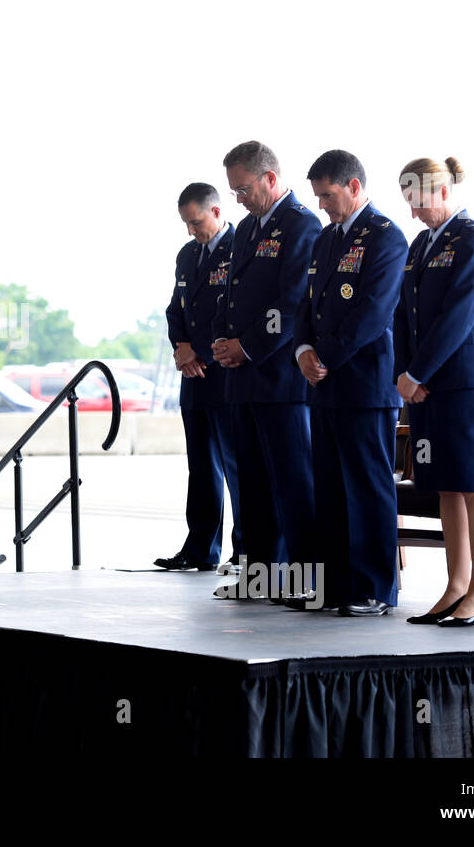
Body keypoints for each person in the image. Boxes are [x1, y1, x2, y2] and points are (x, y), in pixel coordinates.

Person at [293, 150, 408, 615]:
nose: (321, 204)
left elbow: (374, 313)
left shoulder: (385, 237)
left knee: (367, 486)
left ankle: (374, 588)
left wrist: (326, 356)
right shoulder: (324, 241)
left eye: (327, 194)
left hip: (363, 383)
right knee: (331, 488)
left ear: (354, 186)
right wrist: (302, 350)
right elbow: (306, 303)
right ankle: (336, 585)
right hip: (322, 384)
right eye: (317, 196)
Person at [393, 157, 474, 627]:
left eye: (417, 202)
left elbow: (458, 315)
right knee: (444, 486)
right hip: (424, 385)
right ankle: (456, 585)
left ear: (440, 191)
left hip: (462, 380)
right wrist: (404, 373)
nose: (413, 213)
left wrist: (417, 372)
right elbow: (401, 315)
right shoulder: (419, 245)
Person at [211, 141, 322, 601]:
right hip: (242, 380)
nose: (238, 199)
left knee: (293, 486)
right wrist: (221, 342)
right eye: (233, 191)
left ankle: (302, 582)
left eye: (243, 189)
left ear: (270, 179)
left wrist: (248, 347)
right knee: (251, 486)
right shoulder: (244, 231)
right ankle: (259, 579)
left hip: (280, 378)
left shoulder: (301, 225)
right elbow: (230, 294)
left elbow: (292, 302)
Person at [156, 183, 242, 572]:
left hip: (226, 373)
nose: (192, 231)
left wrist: (202, 352)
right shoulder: (188, 254)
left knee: (238, 468)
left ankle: (245, 550)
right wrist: (181, 348)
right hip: (194, 379)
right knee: (201, 468)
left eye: (197, 221)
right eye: (186, 224)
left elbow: (234, 313)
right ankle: (200, 549)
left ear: (217, 211)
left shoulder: (241, 247)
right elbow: (177, 309)